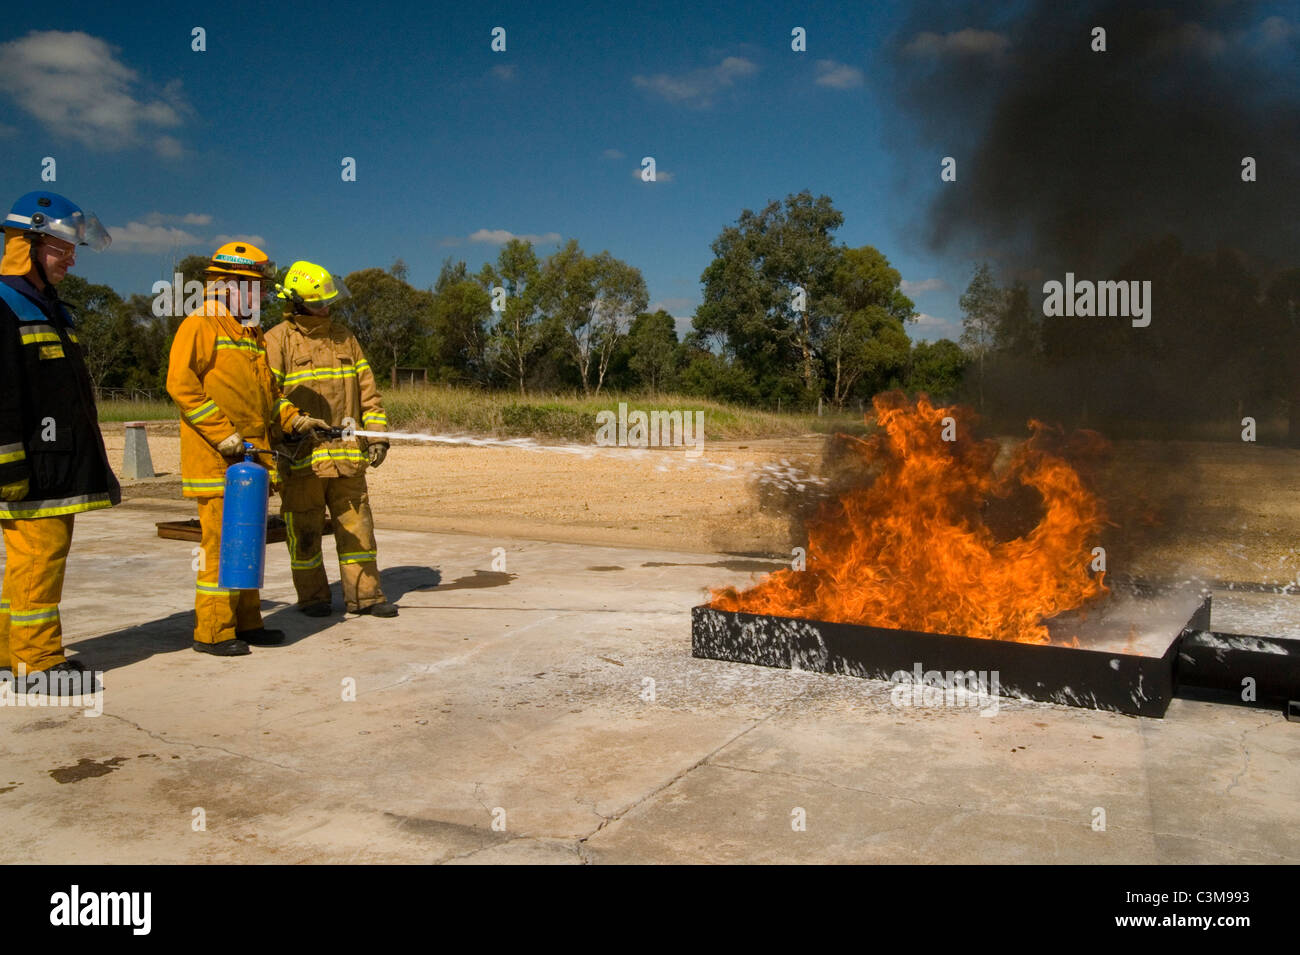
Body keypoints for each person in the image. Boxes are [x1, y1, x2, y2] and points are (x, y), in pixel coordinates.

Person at [165, 242, 329, 656]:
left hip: (254, 463)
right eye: (253, 288)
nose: (260, 297)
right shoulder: (200, 325)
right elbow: (181, 386)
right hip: (217, 462)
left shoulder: (251, 333)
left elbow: (269, 396)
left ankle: (248, 622)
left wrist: (297, 419)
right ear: (225, 285)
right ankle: (214, 631)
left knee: (248, 543)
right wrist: (222, 433)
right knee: (221, 547)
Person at [0, 191, 116, 694]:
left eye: (72, 250)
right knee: (38, 560)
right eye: (60, 249)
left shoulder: (48, 309)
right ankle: (38, 664)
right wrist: (9, 470)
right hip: (30, 467)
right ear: (26, 244)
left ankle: (10, 653)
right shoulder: (6, 307)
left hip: (52, 461)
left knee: (30, 562)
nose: (70, 260)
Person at [264, 261, 398, 618]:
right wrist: (295, 422)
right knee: (305, 533)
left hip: (348, 457)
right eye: (319, 302)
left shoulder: (345, 337)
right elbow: (268, 396)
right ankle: (313, 599)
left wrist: (377, 437)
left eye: (329, 301)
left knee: (359, 532)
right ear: (296, 303)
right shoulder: (276, 341)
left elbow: (369, 393)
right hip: (301, 459)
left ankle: (366, 597)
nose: (327, 308)